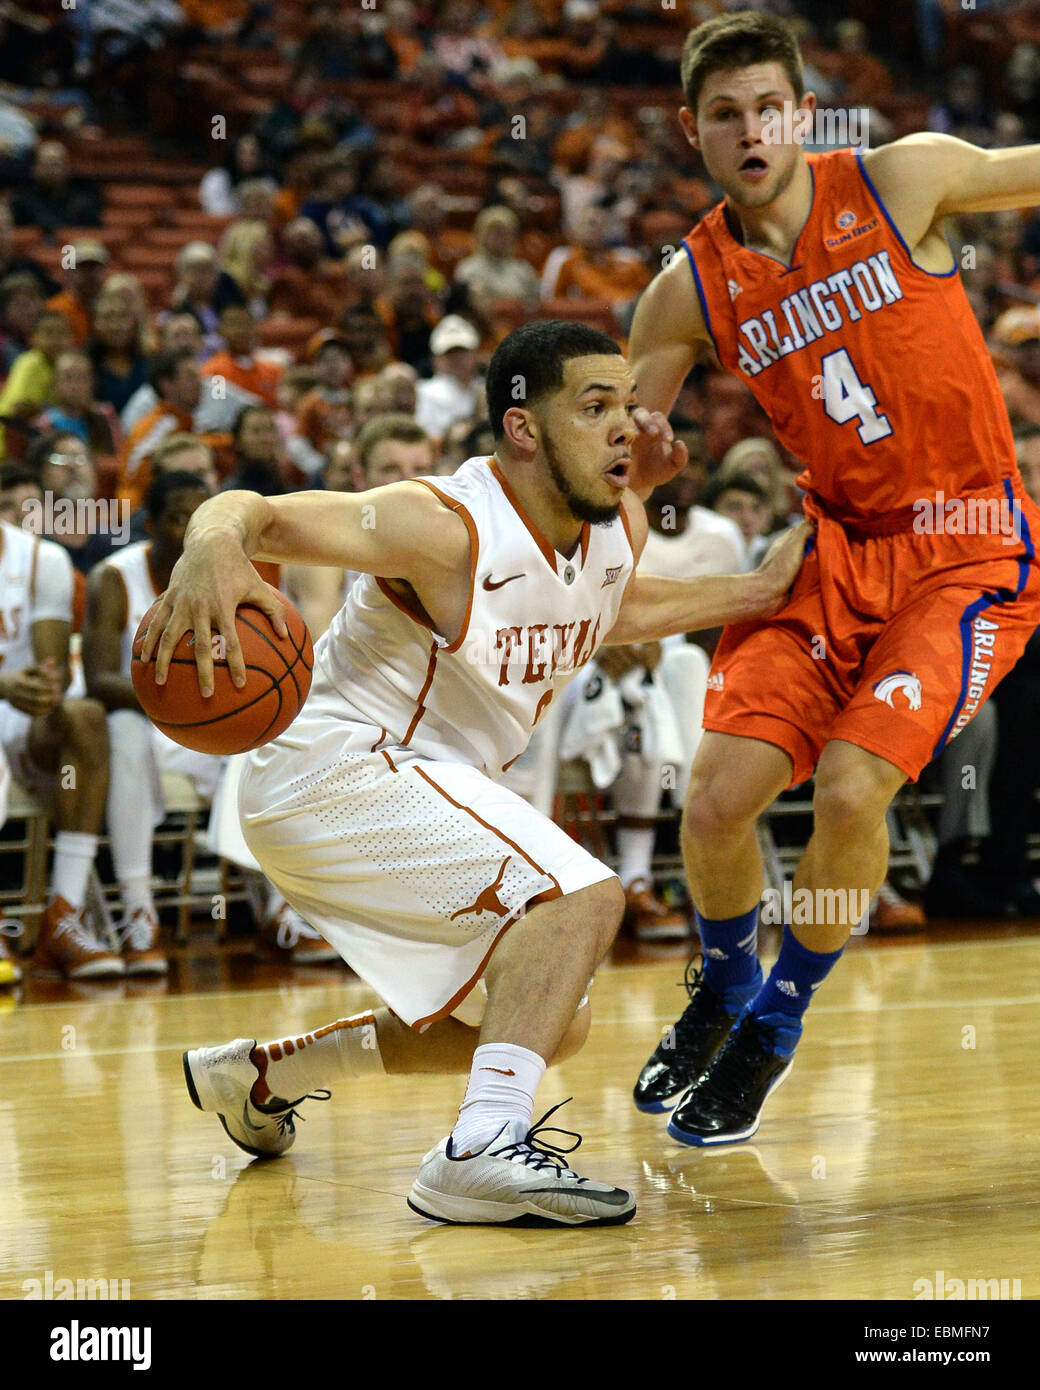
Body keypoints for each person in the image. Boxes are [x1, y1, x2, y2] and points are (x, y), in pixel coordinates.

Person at [140, 319, 807, 1226]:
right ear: (524, 426)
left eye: (629, 405)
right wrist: (213, 538)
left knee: (545, 1021)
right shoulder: (442, 525)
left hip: (410, 787)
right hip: (337, 768)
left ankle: (261, 1076)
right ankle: (478, 1151)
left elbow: (604, 608)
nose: (624, 425)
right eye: (594, 405)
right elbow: (259, 511)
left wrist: (754, 593)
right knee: (581, 896)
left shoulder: (616, 524)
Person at [625, 10, 1040, 1142]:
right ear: (693, 132)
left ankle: (773, 1022)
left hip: (965, 551)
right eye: (724, 114)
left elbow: (1022, 170)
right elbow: (608, 448)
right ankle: (717, 988)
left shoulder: (902, 180)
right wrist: (631, 470)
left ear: (800, 115)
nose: (750, 129)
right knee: (711, 801)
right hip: (828, 550)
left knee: (855, 789)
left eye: (768, 108)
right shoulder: (686, 290)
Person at [0, 513, 118, 979]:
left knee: (85, 716)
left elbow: (56, 673)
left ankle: (63, 915)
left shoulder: (38, 557)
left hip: (20, 716)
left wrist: (40, 688)